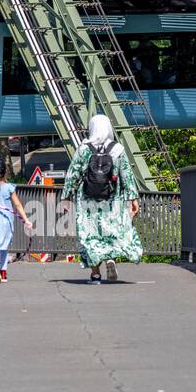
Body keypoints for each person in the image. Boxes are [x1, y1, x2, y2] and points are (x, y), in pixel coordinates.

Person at [59, 114, 142, 282]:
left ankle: (95, 273)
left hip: (87, 201)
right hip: (113, 200)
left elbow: (73, 174)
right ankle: (110, 259)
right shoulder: (117, 149)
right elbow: (127, 175)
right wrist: (133, 198)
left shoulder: (84, 149)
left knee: (90, 236)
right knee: (110, 232)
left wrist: (66, 196)